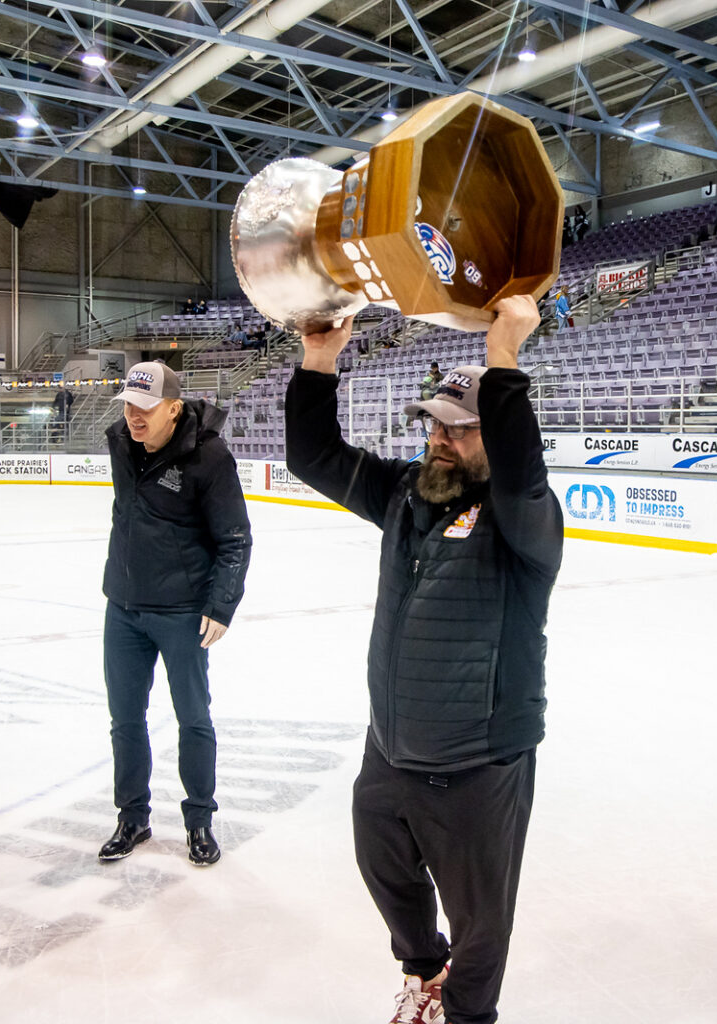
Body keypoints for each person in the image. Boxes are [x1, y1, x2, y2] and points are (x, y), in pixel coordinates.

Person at [285, 296, 562, 1024]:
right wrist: (319, 362)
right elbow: (313, 457)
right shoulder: (408, 493)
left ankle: (467, 1014)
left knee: (482, 918)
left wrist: (505, 359)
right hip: (392, 747)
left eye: (461, 430)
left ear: (493, 438)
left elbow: (523, 471)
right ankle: (422, 968)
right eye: (435, 424)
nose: (440, 438)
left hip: (478, 760)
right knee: (382, 867)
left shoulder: (523, 522)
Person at [97, 361, 252, 866]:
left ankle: (199, 820)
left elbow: (234, 539)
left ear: (173, 408)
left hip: (182, 612)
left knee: (193, 718)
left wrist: (221, 604)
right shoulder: (121, 441)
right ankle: (132, 816)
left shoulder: (208, 457)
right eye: (127, 405)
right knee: (125, 720)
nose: (133, 417)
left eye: (144, 408)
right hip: (122, 607)